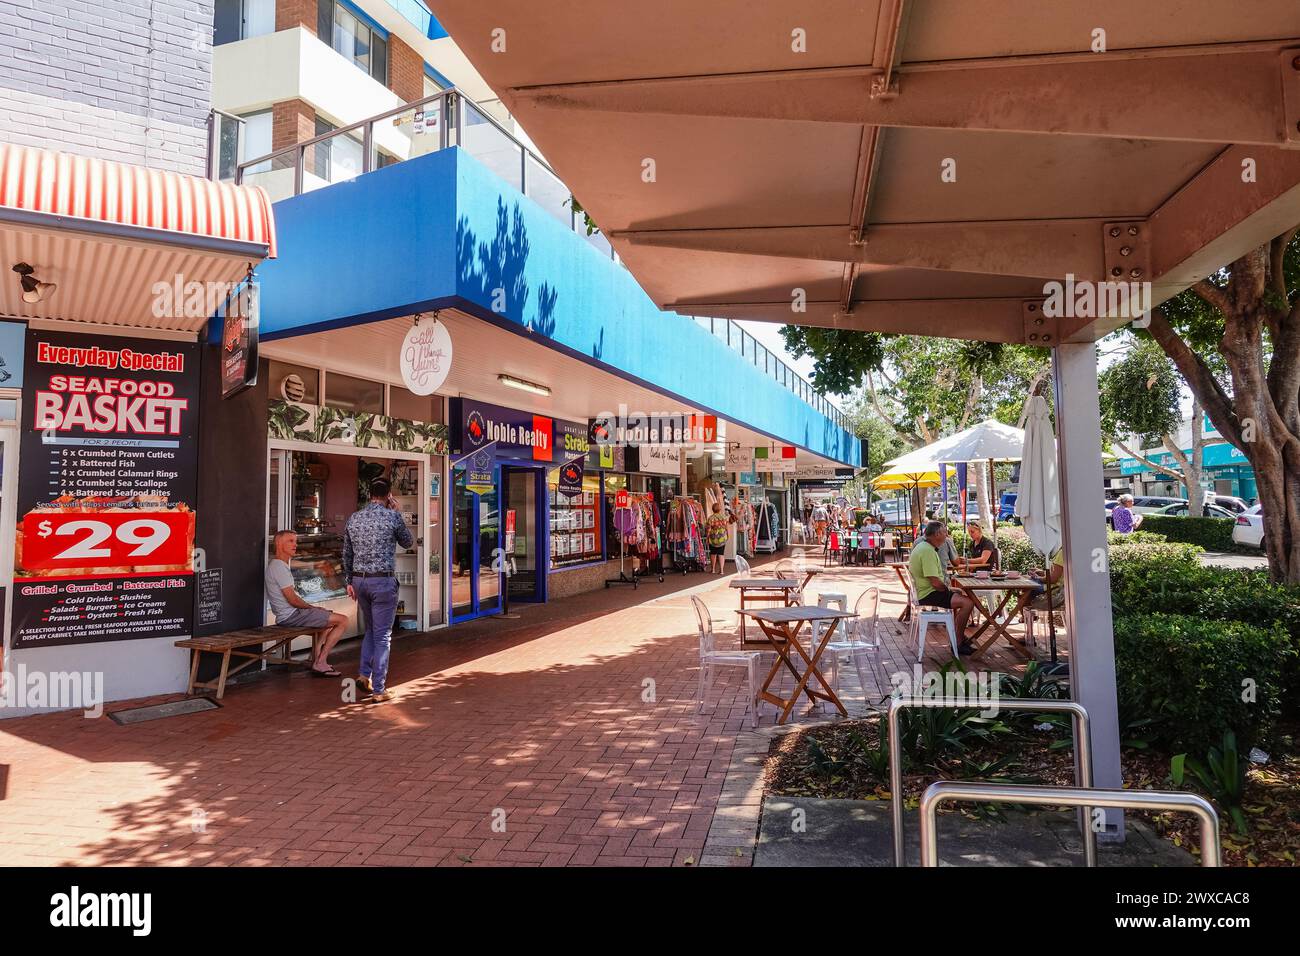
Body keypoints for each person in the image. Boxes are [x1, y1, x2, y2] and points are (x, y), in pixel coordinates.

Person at [343, 477, 413, 704]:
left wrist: (349, 581)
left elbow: (347, 553)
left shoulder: (354, 518)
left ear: (370, 494)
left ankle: (364, 675)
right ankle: (379, 690)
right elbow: (408, 542)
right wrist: (397, 512)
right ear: (389, 494)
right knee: (383, 635)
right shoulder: (392, 517)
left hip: (359, 581)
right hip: (382, 582)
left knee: (372, 630)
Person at [265, 530, 349, 677]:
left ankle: (314, 659)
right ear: (279, 543)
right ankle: (321, 662)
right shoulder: (279, 567)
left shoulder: (279, 564)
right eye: (290, 541)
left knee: (328, 619)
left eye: (295, 541)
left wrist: (313, 565)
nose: (295, 545)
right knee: (343, 620)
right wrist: (312, 607)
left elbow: (293, 597)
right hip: (290, 616)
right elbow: (293, 600)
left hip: (289, 614)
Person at [908, 520, 977, 654]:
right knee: (967, 603)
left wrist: (950, 591)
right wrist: (948, 590)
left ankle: (958, 636)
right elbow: (935, 582)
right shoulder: (927, 551)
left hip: (923, 592)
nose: (947, 535)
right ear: (937, 534)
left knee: (961, 598)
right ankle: (957, 642)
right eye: (945, 532)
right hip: (929, 593)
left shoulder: (922, 546)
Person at [705, 501, 734, 574]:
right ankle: (721, 570)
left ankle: (713, 569)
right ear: (720, 509)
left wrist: (707, 538)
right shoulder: (724, 517)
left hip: (713, 538)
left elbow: (708, 530)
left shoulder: (710, 518)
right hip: (722, 538)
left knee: (713, 553)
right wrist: (728, 535)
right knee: (721, 554)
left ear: (712, 509)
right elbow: (726, 528)